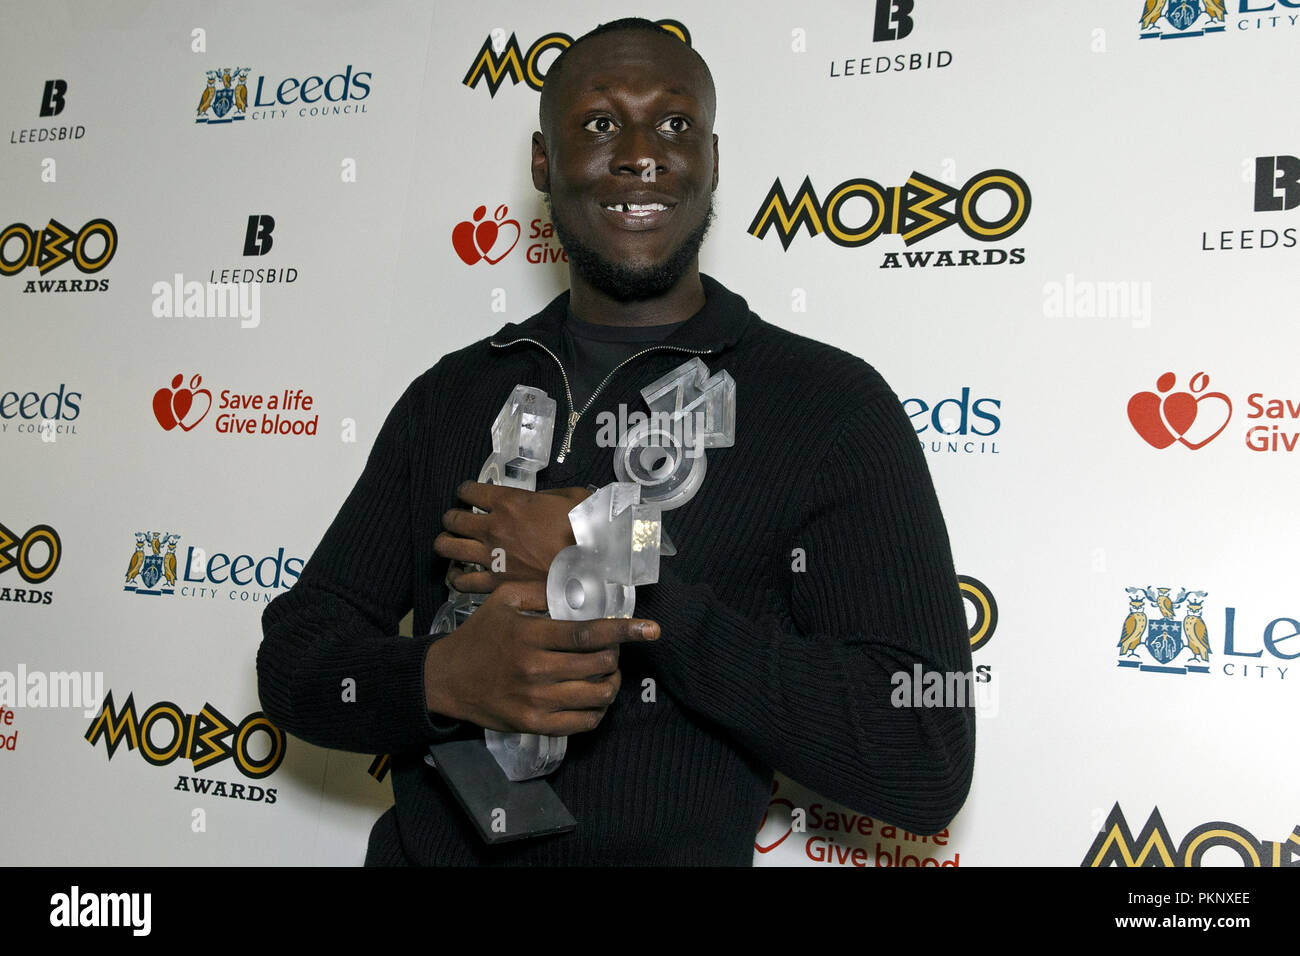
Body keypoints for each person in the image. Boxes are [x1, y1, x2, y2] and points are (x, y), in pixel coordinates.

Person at [257, 17, 974, 866]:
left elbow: (922, 750)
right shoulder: (449, 396)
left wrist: (620, 570)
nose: (642, 153)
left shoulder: (826, 406)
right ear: (541, 162)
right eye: (599, 123)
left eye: (675, 125)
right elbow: (299, 661)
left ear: (713, 159)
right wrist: (442, 679)